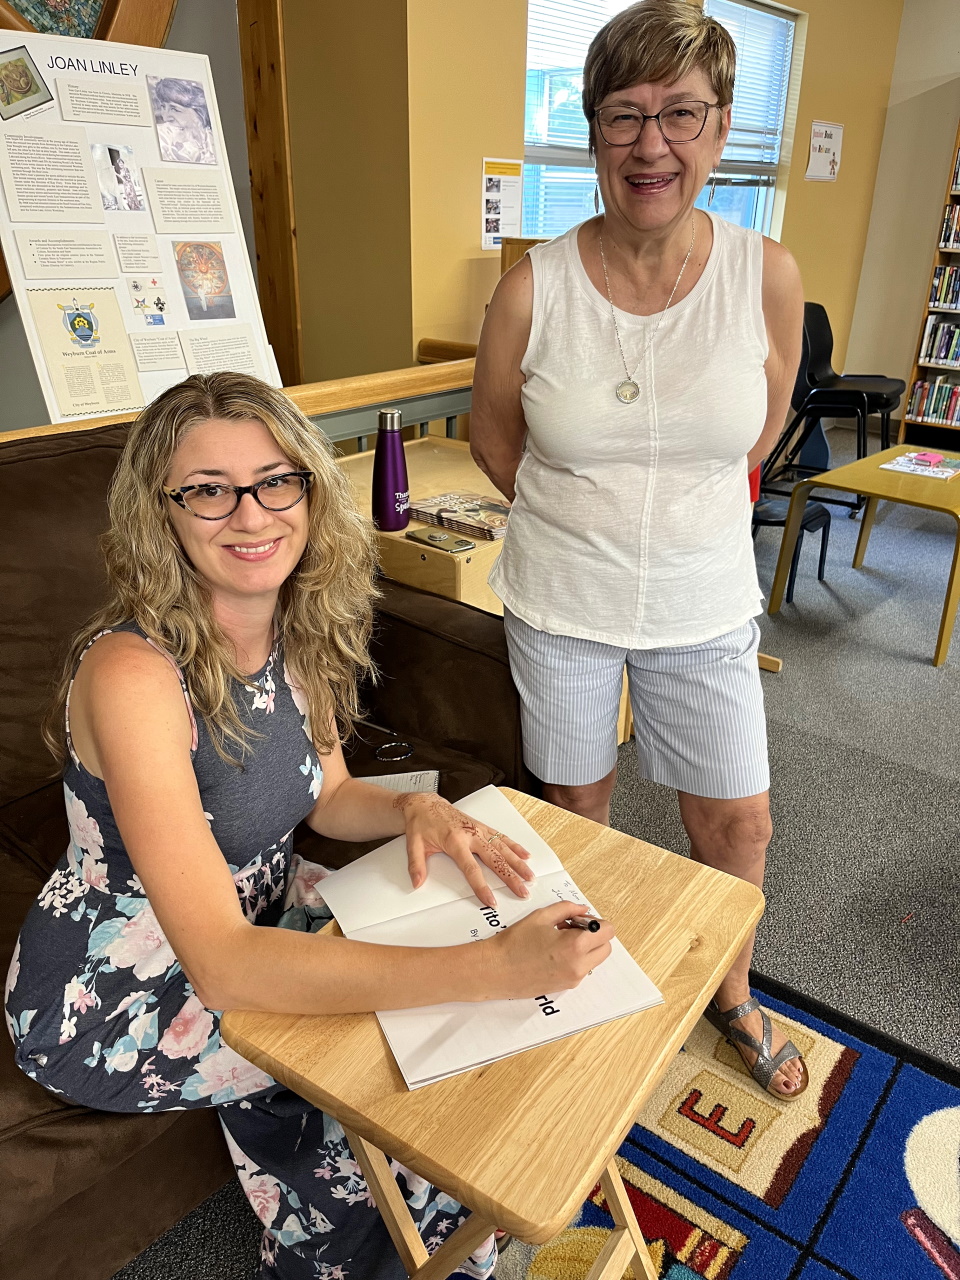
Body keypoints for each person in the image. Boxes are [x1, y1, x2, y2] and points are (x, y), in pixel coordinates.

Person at [4, 372, 615, 1280]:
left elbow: (328, 796)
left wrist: (412, 807)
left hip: (259, 909)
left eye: (274, 480)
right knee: (403, 1046)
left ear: (309, 489)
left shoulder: (297, 622)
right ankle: (376, 1250)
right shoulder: (135, 677)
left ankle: (428, 1223)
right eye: (208, 490)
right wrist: (494, 968)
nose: (251, 514)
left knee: (448, 969)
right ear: (159, 513)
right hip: (123, 987)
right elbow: (223, 964)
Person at [470, 0, 806, 1100]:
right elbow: (494, 439)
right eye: (624, 115)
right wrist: (590, 524)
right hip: (563, 596)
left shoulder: (767, 275)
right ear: (593, 131)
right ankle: (582, 981)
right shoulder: (533, 286)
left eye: (681, 114)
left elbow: (757, 435)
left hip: (706, 597)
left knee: (738, 819)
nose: (651, 144)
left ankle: (732, 990)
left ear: (720, 129)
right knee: (579, 813)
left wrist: (671, 521)